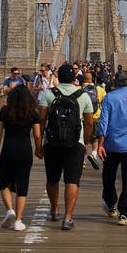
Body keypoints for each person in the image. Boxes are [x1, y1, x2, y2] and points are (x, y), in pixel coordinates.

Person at [38, 63, 94, 230]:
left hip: (52, 142)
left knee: (52, 179)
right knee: (72, 181)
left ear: (58, 77)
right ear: (74, 78)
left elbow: (40, 120)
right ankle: (67, 218)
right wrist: (86, 142)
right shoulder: (82, 95)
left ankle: (54, 210)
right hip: (75, 143)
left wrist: (39, 143)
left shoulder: (49, 94)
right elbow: (90, 123)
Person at [97, 70, 127, 226]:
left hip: (111, 145)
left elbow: (103, 123)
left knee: (108, 177)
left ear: (115, 82)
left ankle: (111, 204)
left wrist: (100, 144)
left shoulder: (109, 97)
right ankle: (125, 214)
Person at [0, 84, 42, 232]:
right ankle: (18, 221)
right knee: (22, 185)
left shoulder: (5, 111)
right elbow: (37, 135)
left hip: (8, 149)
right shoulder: (32, 113)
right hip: (24, 151)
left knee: (4, 183)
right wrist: (39, 150)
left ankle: (9, 210)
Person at [82, 69, 106, 170]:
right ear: (93, 79)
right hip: (96, 117)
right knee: (95, 139)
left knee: (83, 140)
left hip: (83, 118)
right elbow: (105, 103)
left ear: (83, 79)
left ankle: (82, 160)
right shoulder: (100, 90)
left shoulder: (79, 89)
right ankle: (94, 154)